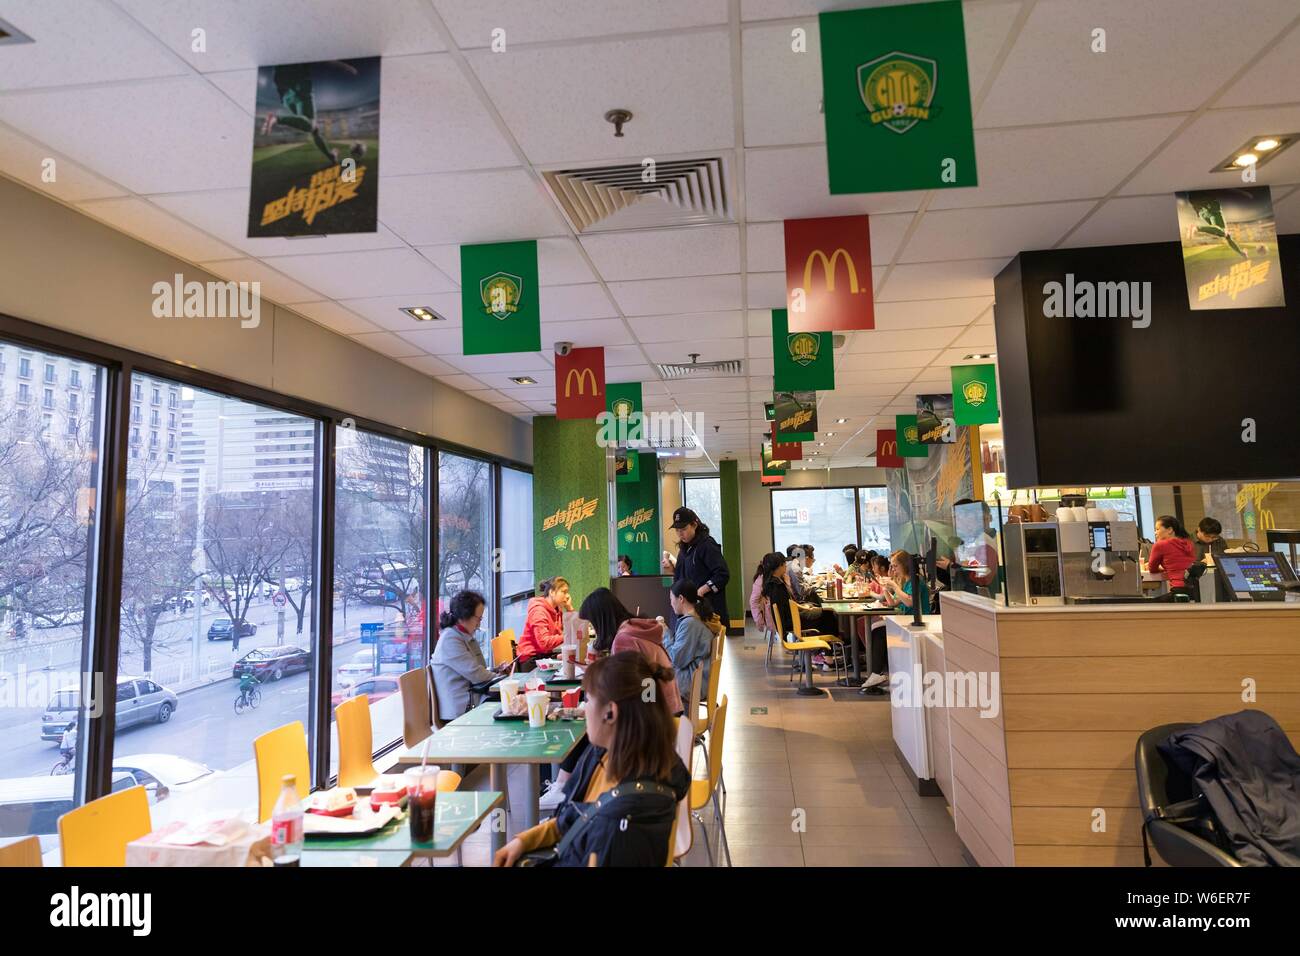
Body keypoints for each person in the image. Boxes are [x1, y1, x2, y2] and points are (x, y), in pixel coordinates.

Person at [493, 652, 690, 868]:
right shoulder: (607, 755)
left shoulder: (624, 825)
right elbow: (572, 817)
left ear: (610, 713)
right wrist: (523, 841)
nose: (584, 709)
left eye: (588, 699)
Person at [579, 588, 682, 717]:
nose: (593, 629)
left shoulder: (624, 639)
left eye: (592, 623)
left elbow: (624, 691)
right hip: (668, 706)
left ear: (601, 621)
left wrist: (595, 672)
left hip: (658, 717)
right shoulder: (634, 627)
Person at [430, 589, 504, 723]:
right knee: (510, 701)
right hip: (461, 708)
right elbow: (475, 674)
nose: (479, 624)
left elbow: (476, 668)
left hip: (472, 698)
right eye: (478, 619)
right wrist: (501, 678)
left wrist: (495, 670)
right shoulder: (450, 640)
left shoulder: (462, 636)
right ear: (465, 616)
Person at [863, 550, 931, 694]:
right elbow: (893, 602)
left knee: (879, 632)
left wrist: (894, 586)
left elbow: (909, 602)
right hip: (905, 621)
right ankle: (883, 674)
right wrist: (886, 588)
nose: (893, 569)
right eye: (892, 566)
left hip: (916, 623)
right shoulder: (906, 581)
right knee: (876, 628)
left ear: (905, 565)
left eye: (895, 566)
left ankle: (877, 673)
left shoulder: (915, 580)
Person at [758, 552, 838, 668]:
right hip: (793, 621)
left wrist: (805, 607)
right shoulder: (777, 586)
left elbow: (789, 605)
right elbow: (790, 607)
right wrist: (805, 609)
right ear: (778, 567)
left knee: (825, 612)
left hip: (791, 619)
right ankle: (828, 659)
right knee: (828, 615)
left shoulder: (772, 583)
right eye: (784, 564)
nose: (786, 567)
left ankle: (824, 656)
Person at [663, 507, 730, 634]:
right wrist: (672, 569)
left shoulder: (707, 545)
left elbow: (723, 574)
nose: (680, 534)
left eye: (683, 529)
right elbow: (684, 576)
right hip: (689, 612)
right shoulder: (685, 549)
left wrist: (702, 590)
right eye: (677, 530)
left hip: (706, 611)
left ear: (694, 525)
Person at [664, 580, 716, 706]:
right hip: (699, 678)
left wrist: (664, 632)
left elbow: (677, 659)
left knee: (647, 683)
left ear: (681, 598)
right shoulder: (698, 618)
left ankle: (664, 723)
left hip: (692, 683)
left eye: (671, 599)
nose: (671, 604)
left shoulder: (690, 623)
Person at [517, 576, 571, 667]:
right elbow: (544, 643)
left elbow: (572, 629)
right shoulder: (538, 611)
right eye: (564, 592)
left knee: (571, 659)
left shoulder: (557, 609)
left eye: (567, 592)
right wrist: (568, 635)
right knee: (568, 663)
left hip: (544, 655)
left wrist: (569, 608)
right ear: (552, 592)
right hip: (530, 659)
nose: (567, 596)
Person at [1148, 515, 1196, 595]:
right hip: (1195, 588)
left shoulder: (1160, 545)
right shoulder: (1189, 543)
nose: (1155, 533)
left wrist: (1162, 568)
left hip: (1178, 589)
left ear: (1170, 530)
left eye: (1157, 529)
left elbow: (1152, 568)